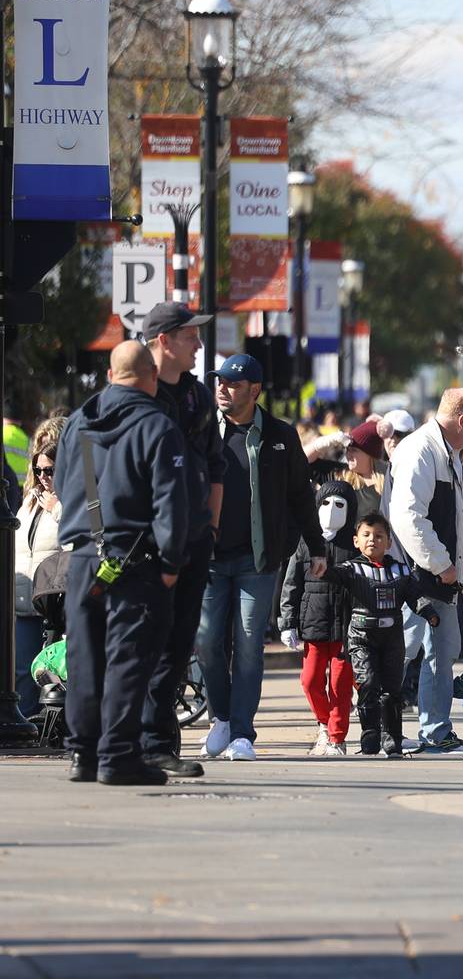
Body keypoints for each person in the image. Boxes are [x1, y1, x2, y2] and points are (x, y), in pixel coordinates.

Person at [53, 342, 189, 786]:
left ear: (111, 375)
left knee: (85, 658)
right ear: (150, 374)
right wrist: (172, 560)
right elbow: (170, 498)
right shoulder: (156, 424)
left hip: (84, 558)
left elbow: (60, 483)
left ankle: (83, 754)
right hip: (137, 560)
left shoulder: (79, 422)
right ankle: (117, 754)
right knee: (129, 660)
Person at [197, 354, 325, 761]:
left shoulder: (280, 435)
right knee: (205, 641)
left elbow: (302, 497)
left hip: (257, 560)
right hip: (209, 559)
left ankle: (241, 732)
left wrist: (314, 546)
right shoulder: (201, 432)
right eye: (219, 382)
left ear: (254, 390)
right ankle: (221, 716)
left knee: (249, 644)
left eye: (232, 383)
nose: (222, 388)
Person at [142, 302, 223, 777]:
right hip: (148, 543)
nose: (197, 344)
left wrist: (209, 529)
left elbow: (215, 466)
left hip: (193, 539)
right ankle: (139, 741)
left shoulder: (197, 397)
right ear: (164, 341)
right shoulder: (139, 394)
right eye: (190, 336)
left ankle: (160, 741)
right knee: (146, 641)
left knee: (177, 645)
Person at [389, 387, 463, 755]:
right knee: (401, 652)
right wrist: (441, 563)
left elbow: (457, 517)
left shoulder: (451, 453)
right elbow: (408, 517)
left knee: (440, 655)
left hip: (443, 577)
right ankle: (385, 728)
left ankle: (436, 731)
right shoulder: (420, 450)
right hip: (415, 578)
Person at [326, 513, 442, 756]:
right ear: (356, 541)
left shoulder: (401, 571)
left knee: (392, 689)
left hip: (392, 639)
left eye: (379, 536)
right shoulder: (350, 569)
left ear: (389, 542)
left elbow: (415, 596)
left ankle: (392, 739)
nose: (373, 540)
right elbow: (328, 576)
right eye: (366, 535)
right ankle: (370, 734)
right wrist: (318, 563)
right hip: (360, 637)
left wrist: (428, 612)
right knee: (368, 683)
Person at [280, 479, 361, 756]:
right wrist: (287, 622)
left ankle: (337, 738)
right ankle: (325, 724)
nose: (331, 510)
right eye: (325, 503)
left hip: (346, 630)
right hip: (313, 626)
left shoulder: (355, 545)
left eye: (340, 505)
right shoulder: (306, 543)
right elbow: (291, 584)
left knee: (341, 686)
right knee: (310, 680)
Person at [14, 418, 64, 718]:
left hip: (53, 604)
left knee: (48, 673)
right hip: (23, 602)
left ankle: (47, 728)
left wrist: (56, 509)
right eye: (39, 469)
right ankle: (26, 725)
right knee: (22, 672)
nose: (43, 475)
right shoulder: (28, 502)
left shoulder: (69, 500)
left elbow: (78, 538)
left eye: (50, 469)